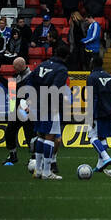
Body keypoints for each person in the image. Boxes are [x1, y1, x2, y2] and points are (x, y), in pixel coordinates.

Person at [24, 47, 70, 179]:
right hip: (50, 105)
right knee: (50, 136)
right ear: (66, 57)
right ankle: (46, 172)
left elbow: (30, 82)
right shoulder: (61, 69)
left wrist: (30, 99)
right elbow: (55, 88)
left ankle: (38, 170)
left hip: (37, 105)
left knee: (40, 136)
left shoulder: (42, 65)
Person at [85, 55, 111, 173]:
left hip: (98, 111)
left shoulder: (92, 77)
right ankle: (100, 165)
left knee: (92, 137)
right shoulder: (110, 77)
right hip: (110, 111)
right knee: (102, 137)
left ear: (93, 63)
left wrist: (90, 115)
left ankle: (106, 157)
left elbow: (91, 97)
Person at [0, 57, 31, 167]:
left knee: (30, 135)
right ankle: (12, 155)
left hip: (27, 111)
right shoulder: (15, 76)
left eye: (15, 66)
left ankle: (34, 157)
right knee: (9, 132)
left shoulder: (31, 76)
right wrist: (0, 78)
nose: (13, 68)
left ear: (21, 65)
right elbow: (12, 89)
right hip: (16, 111)